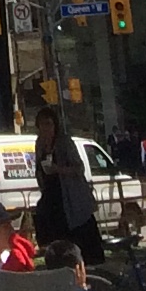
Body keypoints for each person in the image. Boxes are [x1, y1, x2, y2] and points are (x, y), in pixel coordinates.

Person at [35, 105, 105, 266]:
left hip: (71, 195)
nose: (45, 129)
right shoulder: (39, 144)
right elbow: (39, 168)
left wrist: (58, 169)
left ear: (55, 125)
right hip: (51, 194)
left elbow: (78, 168)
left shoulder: (64, 142)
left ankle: (89, 262)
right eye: (42, 125)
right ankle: (59, 262)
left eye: (48, 124)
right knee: (48, 224)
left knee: (80, 230)